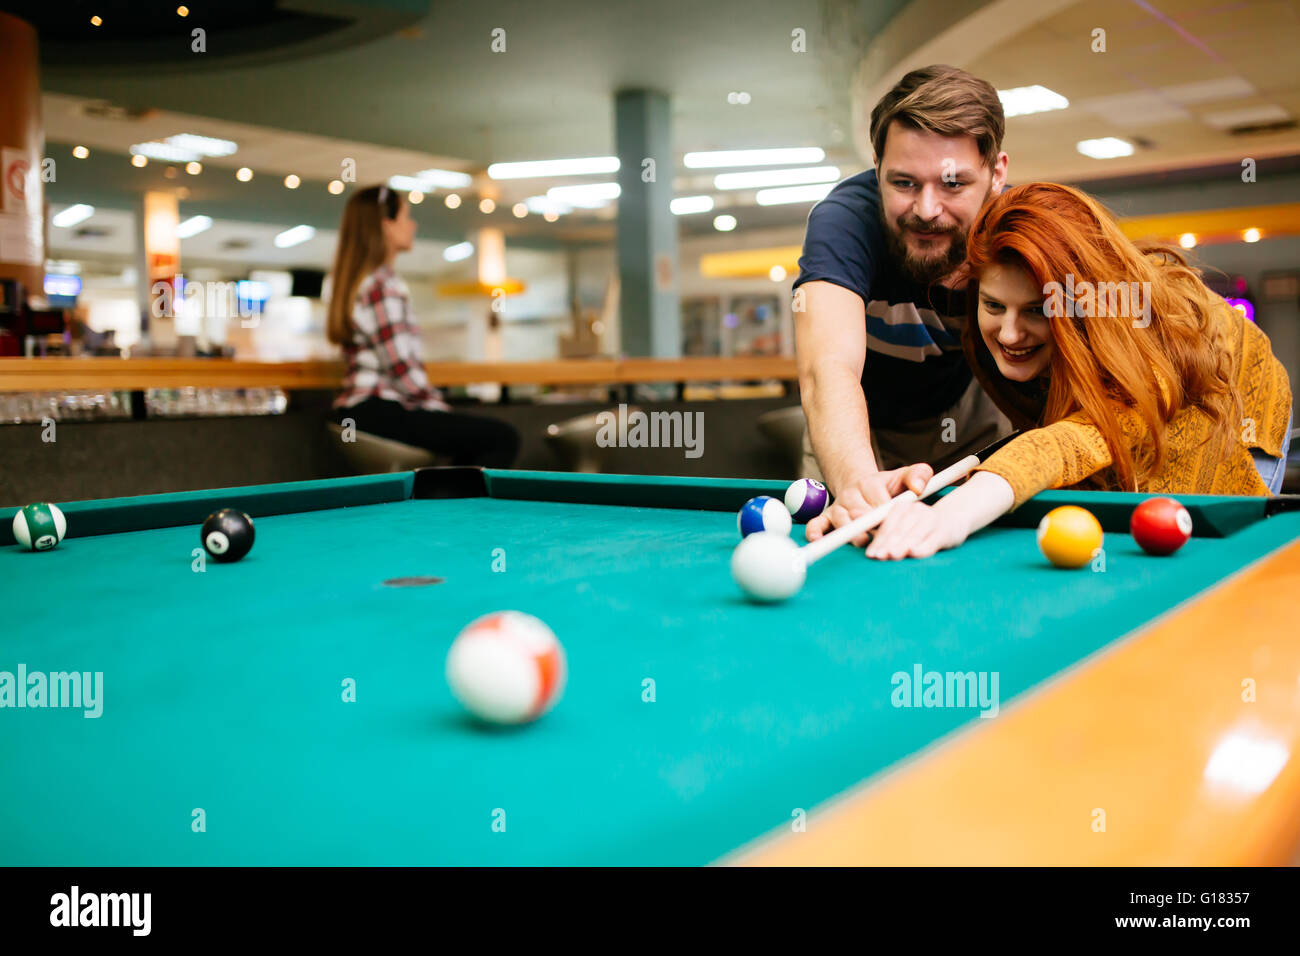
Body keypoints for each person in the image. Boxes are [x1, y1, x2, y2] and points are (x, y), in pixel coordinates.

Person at [857, 182, 1293, 561]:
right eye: (994, 305)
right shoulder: (979, 324)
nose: (1008, 333)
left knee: (1179, 536)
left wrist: (959, 511)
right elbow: (1050, 430)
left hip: (1232, 398)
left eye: (1035, 310)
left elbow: (1086, 436)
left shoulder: (1144, 336)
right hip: (1113, 395)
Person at [794, 64, 1012, 546]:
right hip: (856, 426)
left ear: (996, 174)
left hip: (974, 414)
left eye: (953, 184)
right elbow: (827, 370)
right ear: (877, 169)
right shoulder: (843, 221)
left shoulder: (1024, 235)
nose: (927, 209)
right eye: (904, 183)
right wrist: (855, 485)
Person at [326, 185, 520, 467]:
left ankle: (445, 503)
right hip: (375, 410)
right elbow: (402, 369)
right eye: (406, 217)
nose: (413, 225)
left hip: (357, 412)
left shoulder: (363, 282)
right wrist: (440, 409)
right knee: (502, 437)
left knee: (473, 435)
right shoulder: (382, 286)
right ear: (387, 226)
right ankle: (454, 509)